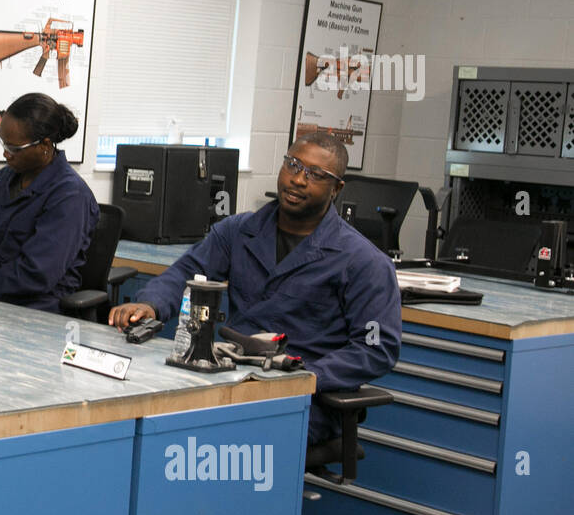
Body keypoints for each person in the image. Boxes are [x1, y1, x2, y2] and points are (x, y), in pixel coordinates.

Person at [108, 133, 400, 452]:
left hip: (302, 399)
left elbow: (374, 348)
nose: (299, 180)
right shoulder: (238, 231)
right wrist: (150, 305)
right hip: (231, 377)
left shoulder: (363, 262)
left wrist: (304, 375)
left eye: (316, 174)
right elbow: (185, 273)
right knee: (147, 421)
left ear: (337, 188)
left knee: (215, 446)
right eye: (293, 165)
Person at [0, 93, 98, 312]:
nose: (6, 154)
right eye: (3, 143)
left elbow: (36, 274)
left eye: (15, 148)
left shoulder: (70, 196)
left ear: (45, 145)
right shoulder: (3, 179)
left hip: (36, 308)